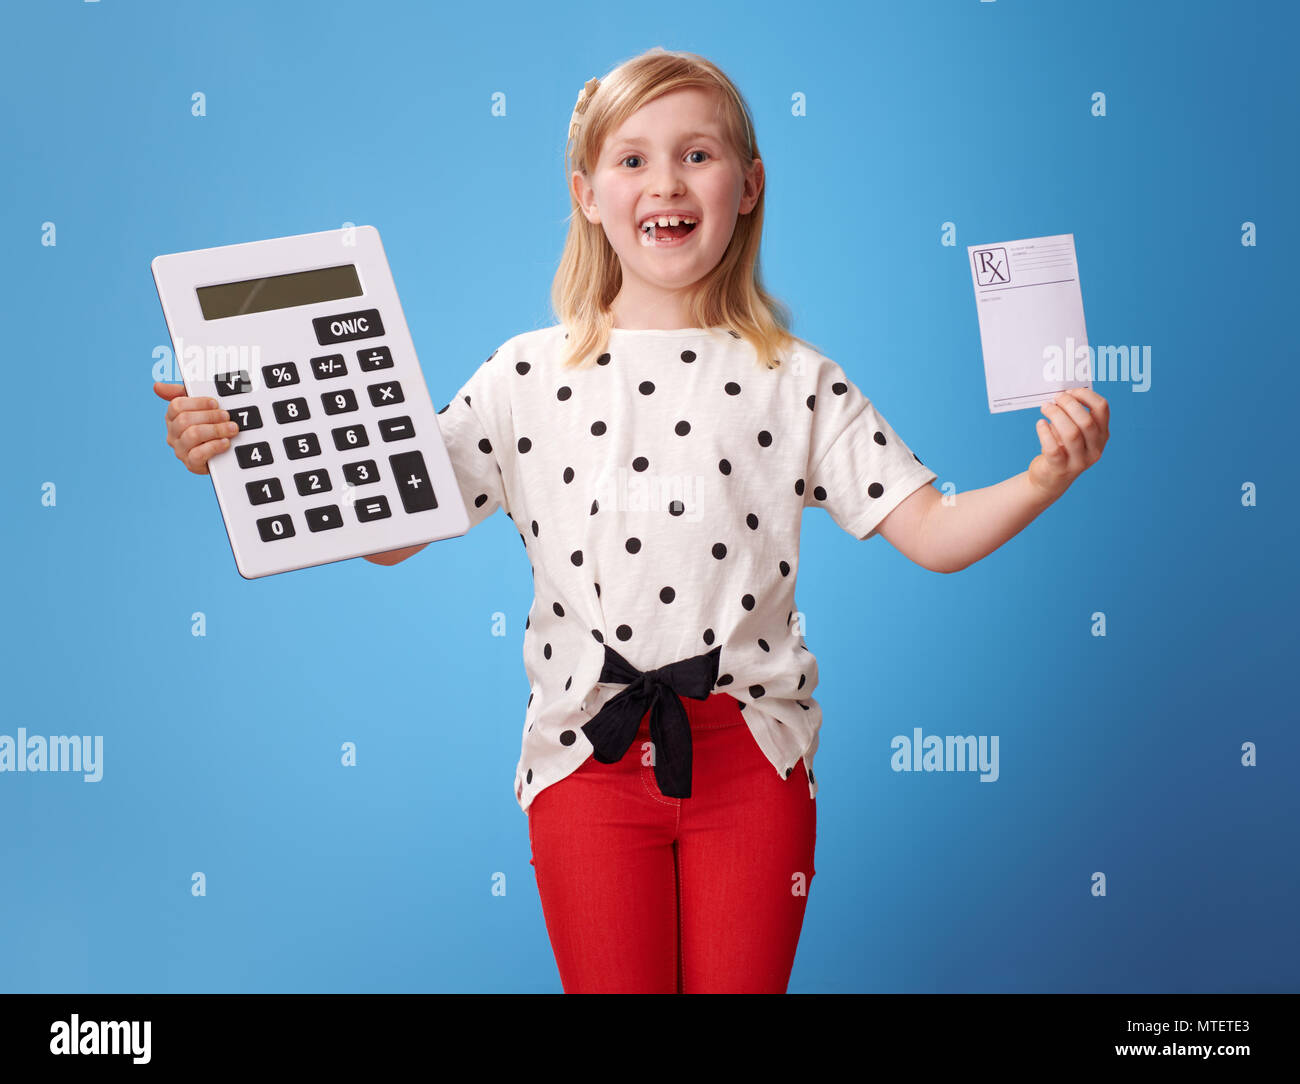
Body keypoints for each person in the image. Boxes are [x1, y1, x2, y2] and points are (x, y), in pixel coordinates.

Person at [153, 47, 1109, 994]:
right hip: (584, 763)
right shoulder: (521, 377)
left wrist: (1043, 478)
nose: (667, 182)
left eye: (697, 154)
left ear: (748, 185)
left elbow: (934, 533)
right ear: (586, 193)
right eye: (633, 158)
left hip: (753, 759)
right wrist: (245, 442)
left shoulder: (798, 380)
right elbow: (393, 530)